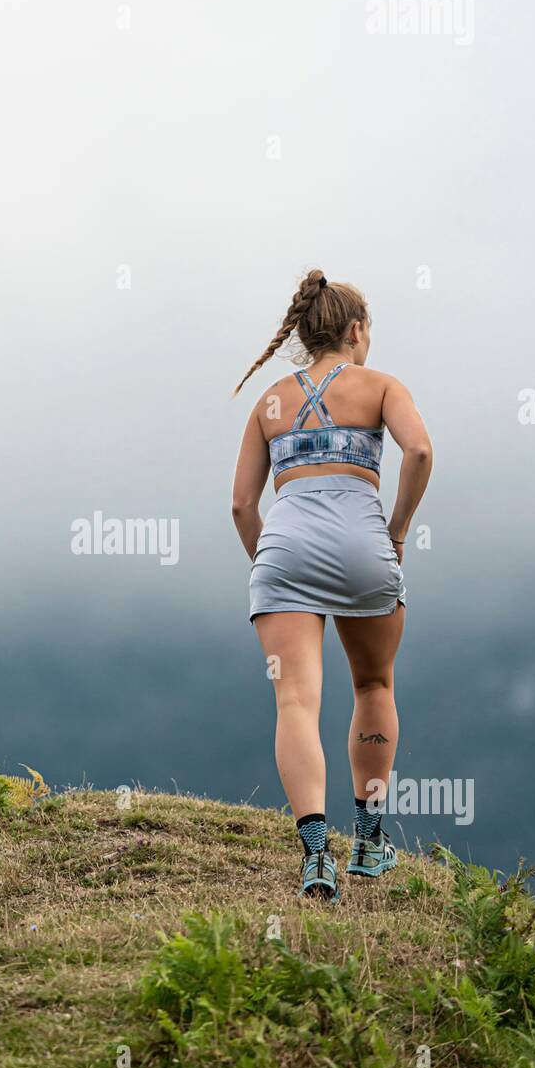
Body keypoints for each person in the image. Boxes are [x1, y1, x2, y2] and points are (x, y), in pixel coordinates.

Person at [231, 269, 432, 901]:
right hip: (365, 547)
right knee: (373, 684)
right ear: (355, 330)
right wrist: (397, 531)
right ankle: (370, 844)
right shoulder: (381, 386)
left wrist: (268, 560)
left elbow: (241, 505)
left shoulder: (269, 401)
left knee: (295, 703)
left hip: (285, 548)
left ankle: (316, 856)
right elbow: (420, 452)